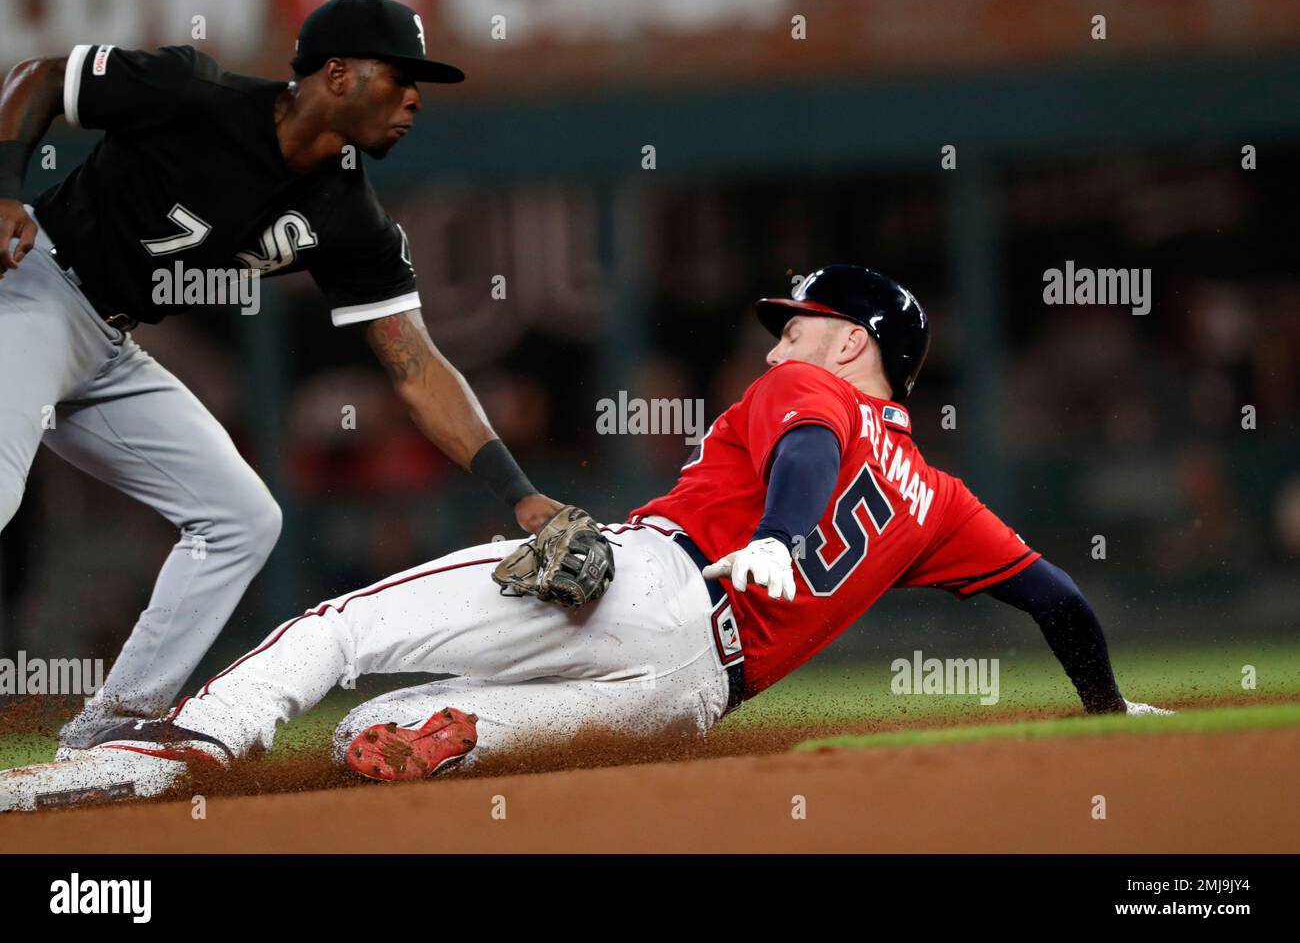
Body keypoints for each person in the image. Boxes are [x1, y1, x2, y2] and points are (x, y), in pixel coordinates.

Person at [0, 264, 1171, 812]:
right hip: (691, 695)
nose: (776, 345)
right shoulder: (940, 496)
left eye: (798, 324)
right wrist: (1108, 711)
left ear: (854, 340)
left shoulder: (812, 399)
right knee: (373, 733)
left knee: (342, 626)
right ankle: (444, 738)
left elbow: (809, 454)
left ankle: (177, 749)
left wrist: (780, 530)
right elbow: (1058, 597)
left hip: (647, 585)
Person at [0, 0, 566, 752]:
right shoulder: (193, 92)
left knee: (241, 518)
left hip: (107, 343)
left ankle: (110, 725)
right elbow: (37, 76)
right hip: (32, 285)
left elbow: (417, 368)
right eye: (398, 77)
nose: (413, 99)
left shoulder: (347, 212)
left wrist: (520, 493)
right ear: (336, 74)